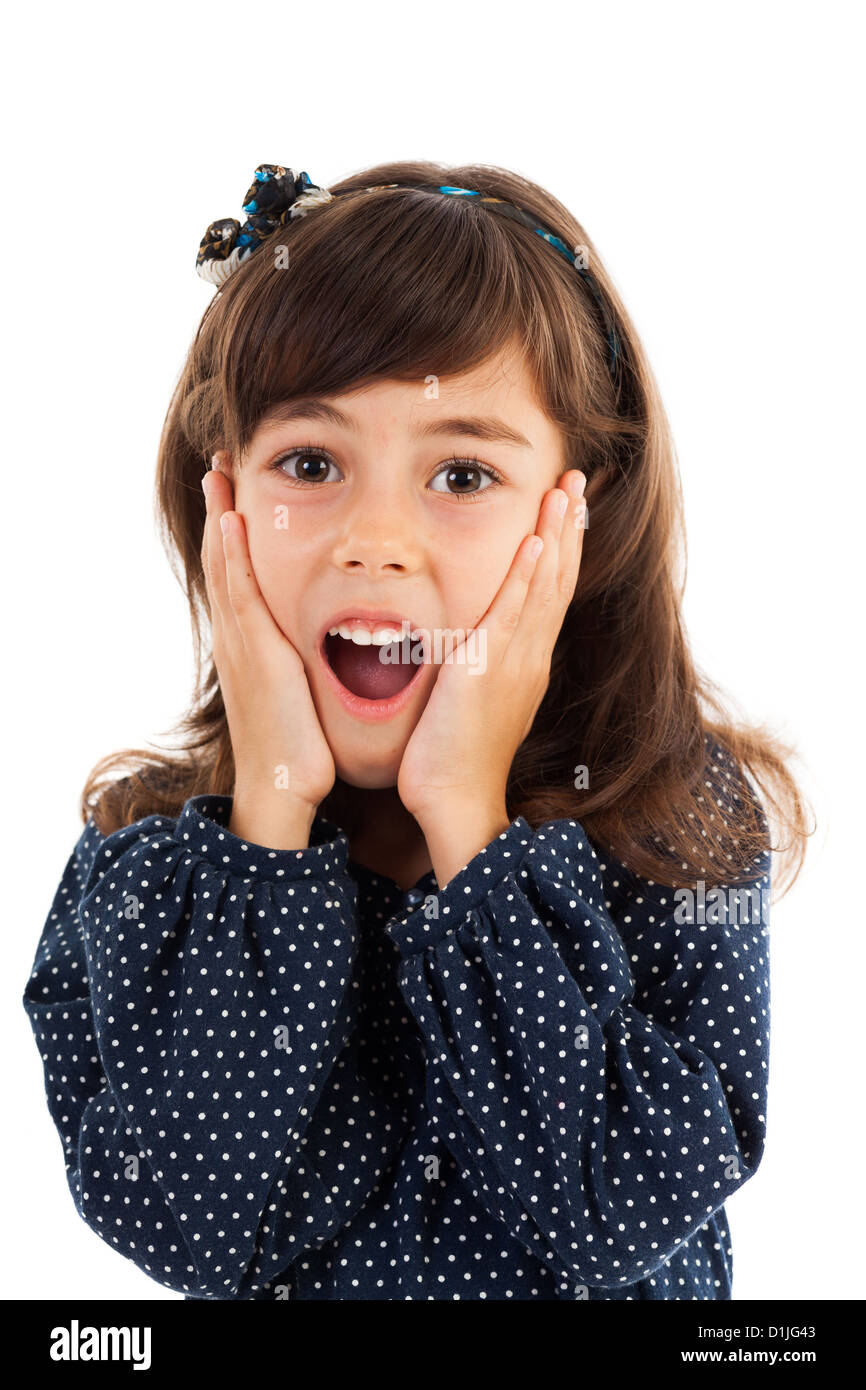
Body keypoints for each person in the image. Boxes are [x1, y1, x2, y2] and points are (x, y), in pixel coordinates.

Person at [23, 161, 811, 1301]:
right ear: (223, 500)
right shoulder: (148, 869)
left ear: (577, 513)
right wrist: (271, 810)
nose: (375, 539)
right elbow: (192, 1227)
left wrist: (467, 819)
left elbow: (602, 1210)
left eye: (459, 470)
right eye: (309, 463)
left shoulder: (678, 831)